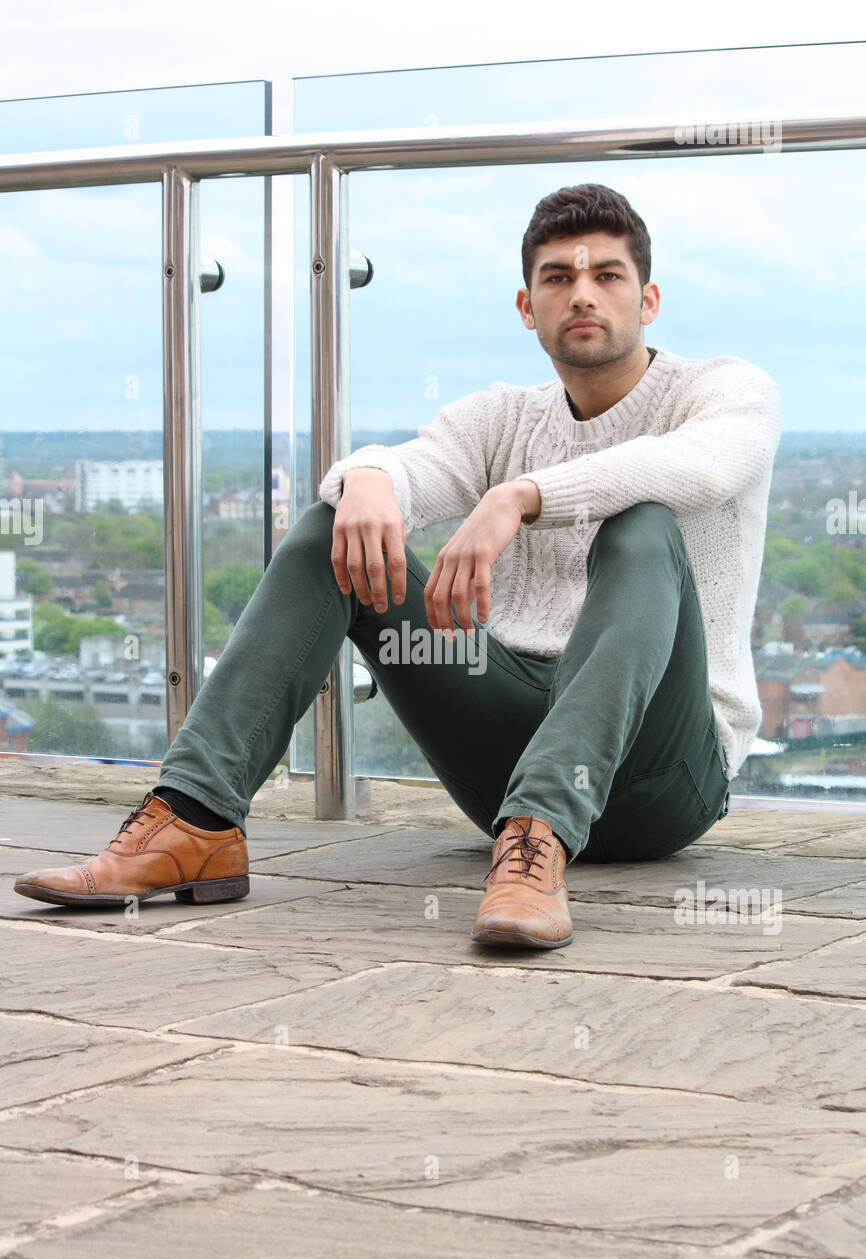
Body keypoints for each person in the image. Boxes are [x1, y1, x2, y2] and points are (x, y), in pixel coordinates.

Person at [15, 183, 781, 952]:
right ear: (527, 306)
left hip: (664, 773)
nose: (583, 295)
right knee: (333, 528)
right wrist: (373, 478)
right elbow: (413, 465)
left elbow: (698, 469)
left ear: (647, 299)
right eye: (558, 278)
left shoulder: (726, 392)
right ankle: (196, 819)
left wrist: (521, 497)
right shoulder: (505, 416)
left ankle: (541, 839)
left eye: (606, 276)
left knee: (642, 522)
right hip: (502, 768)